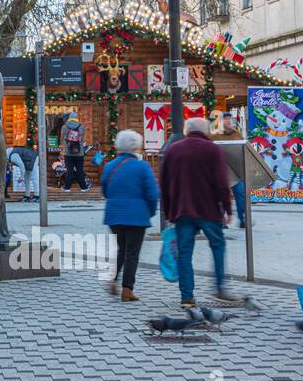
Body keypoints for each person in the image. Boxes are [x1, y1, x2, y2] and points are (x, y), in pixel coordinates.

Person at [159, 116, 239, 307]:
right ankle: (220, 287)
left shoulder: (173, 150)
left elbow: (164, 183)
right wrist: (227, 208)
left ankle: (187, 297)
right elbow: (222, 182)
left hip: (182, 210)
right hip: (209, 210)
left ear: (187, 131)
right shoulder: (213, 149)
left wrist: (169, 212)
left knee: (185, 253)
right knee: (218, 246)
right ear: (205, 131)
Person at [101, 129, 159, 303]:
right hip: (136, 216)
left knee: (122, 249)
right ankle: (127, 290)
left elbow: (105, 190)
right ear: (136, 147)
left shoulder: (110, 165)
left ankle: (113, 279)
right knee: (132, 253)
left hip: (114, 215)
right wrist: (150, 211)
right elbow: (152, 193)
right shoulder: (142, 167)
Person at [212, 112, 246, 229]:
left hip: (236, 170)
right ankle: (221, 220)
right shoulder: (214, 135)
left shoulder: (237, 134)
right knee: (221, 195)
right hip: (222, 170)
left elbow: (242, 149)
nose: (228, 121)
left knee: (240, 194)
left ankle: (242, 219)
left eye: (229, 119)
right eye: (225, 119)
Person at [60, 112, 90, 192]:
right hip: (79, 153)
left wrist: (63, 145)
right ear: (77, 118)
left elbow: (61, 139)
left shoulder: (64, 127)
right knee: (80, 170)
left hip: (68, 153)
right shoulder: (81, 127)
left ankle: (67, 188)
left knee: (69, 170)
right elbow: (83, 140)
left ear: (69, 117)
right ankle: (84, 187)